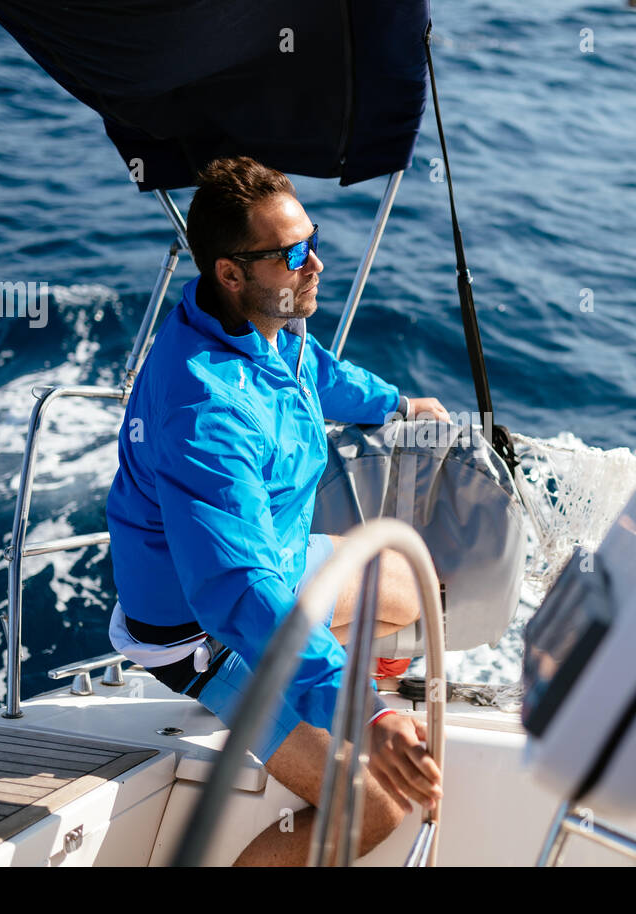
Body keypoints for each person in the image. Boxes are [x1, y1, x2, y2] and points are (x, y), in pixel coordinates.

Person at [106, 156, 449, 865]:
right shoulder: (204, 409)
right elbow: (239, 593)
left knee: (419, 590)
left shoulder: (271, 319)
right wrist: (367, 714)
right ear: (231, 272)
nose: (315, 263)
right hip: (209, 632)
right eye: (293, 254)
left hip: (280, 563)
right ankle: (308, 682)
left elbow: (316, 372)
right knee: (370, 808)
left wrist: (396, 405)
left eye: (311, 240)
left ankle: (313, 669)